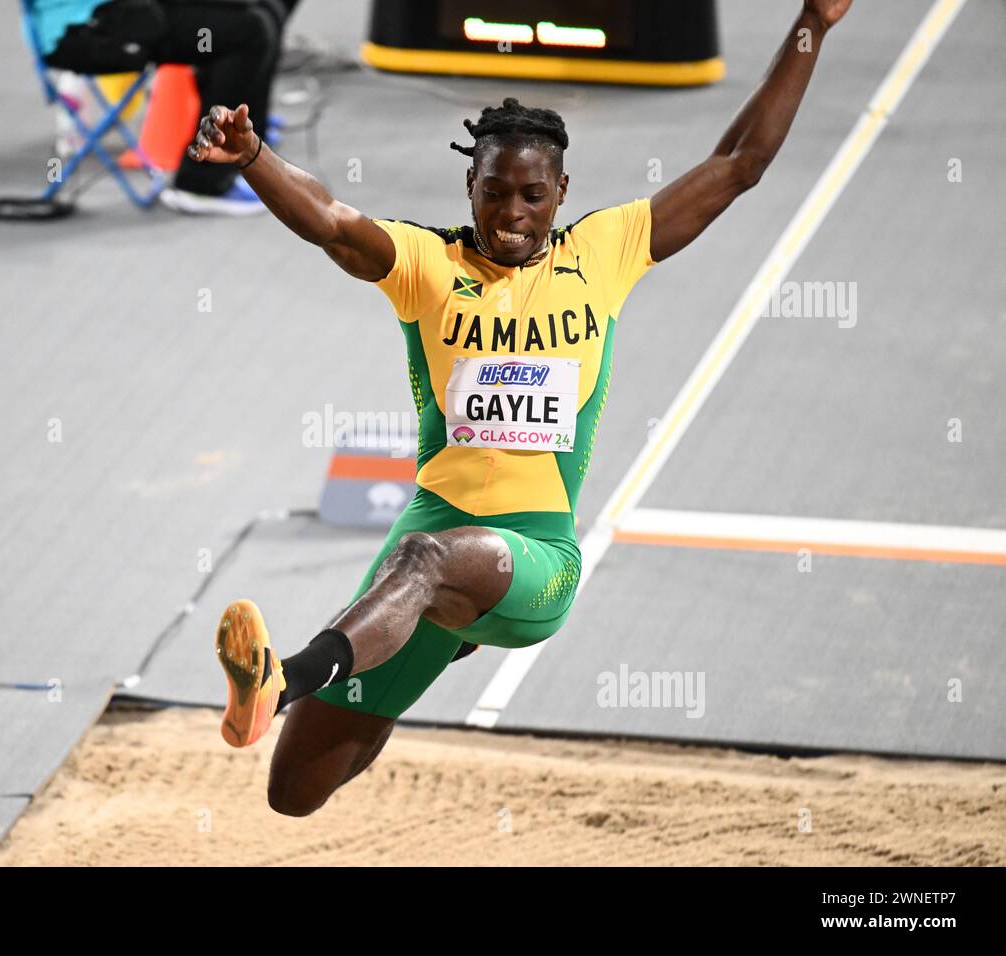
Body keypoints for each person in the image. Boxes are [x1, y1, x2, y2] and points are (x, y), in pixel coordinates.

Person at [203, 0, 853, 815]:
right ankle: (436, 634)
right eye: (495, 191)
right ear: (468, 183)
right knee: (295, 793)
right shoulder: (424, 264)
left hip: (535, 558)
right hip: (433, 535)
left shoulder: (608, 252)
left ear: (562, 192)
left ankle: (286, 676)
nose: (512, 214)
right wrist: (255, 155)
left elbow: (740, 161)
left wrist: (812, 25)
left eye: (533, 196)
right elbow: (329, 220)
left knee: (426, 565)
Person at [32, 0, 300, 215]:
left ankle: (245, 138)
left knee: (268, 7)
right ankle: (202, 183)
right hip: (83, 25)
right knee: (250, 30)